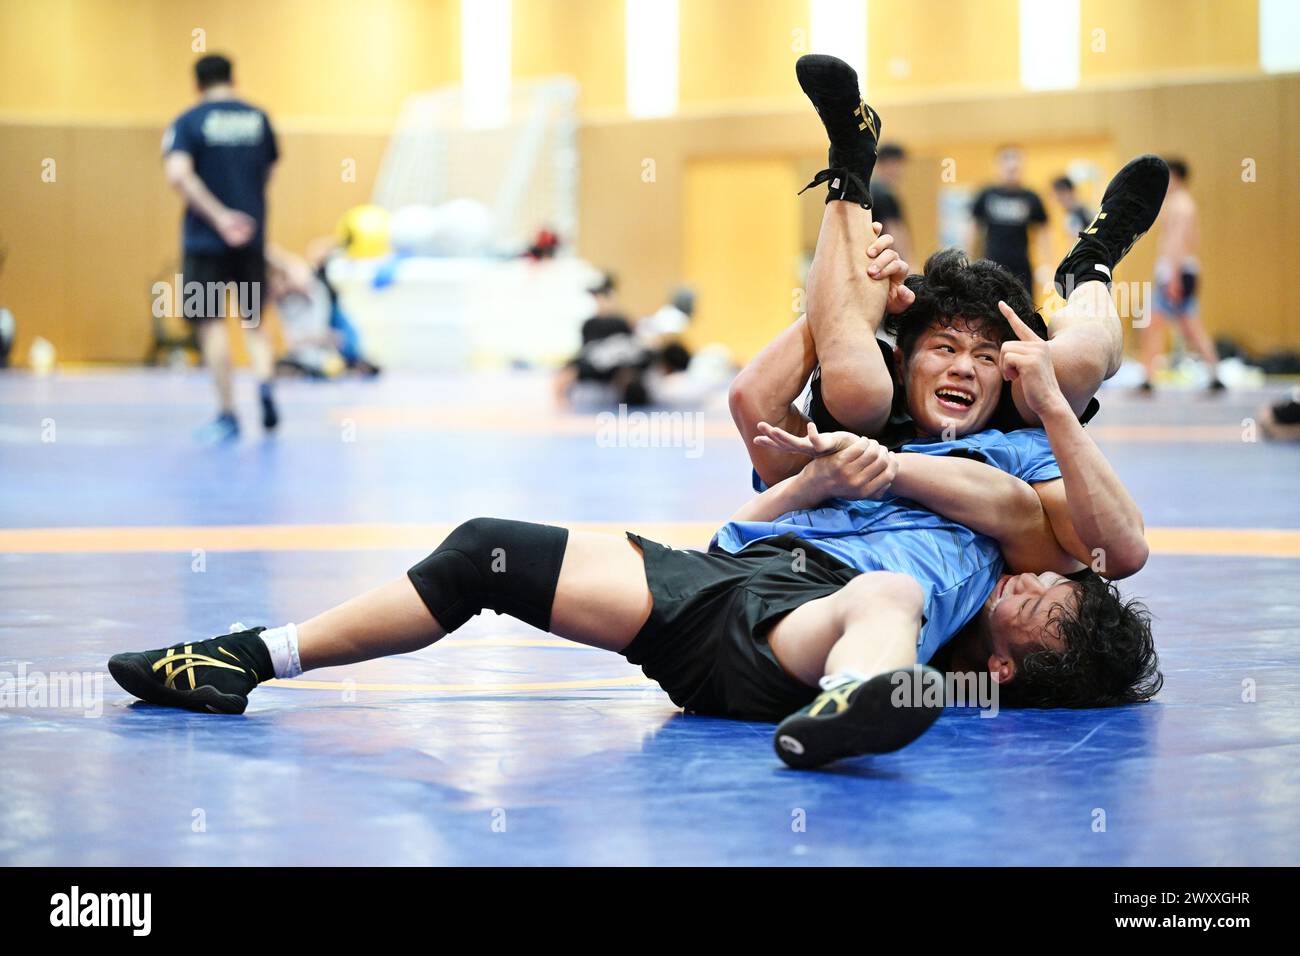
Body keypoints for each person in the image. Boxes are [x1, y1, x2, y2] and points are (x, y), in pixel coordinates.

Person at [106, 342, 1160, 769]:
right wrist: (817, 482)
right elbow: (741, 527)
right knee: (484, 552)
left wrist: (1051, 381)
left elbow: (1117, 535)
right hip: (721, 587)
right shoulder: (891, 441)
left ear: (1005, 664)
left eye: (1046, 603)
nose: (1038, 584)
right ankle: (251, 654)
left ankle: (855, 699)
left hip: (807, 636)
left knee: (883, 595)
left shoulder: (1019, 530)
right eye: (949, 349)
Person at [734, 55, 1165, 580]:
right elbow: (750, 400)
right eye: (945, 348)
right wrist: (855, 307)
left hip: (991, 426)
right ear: (901, 363)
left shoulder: (1015, 448)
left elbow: (1118, 554)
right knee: (857, 387)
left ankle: (1089, 265)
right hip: (857, 524)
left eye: (983, 357)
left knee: (1069, 366)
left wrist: (1053, 408)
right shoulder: (844, 442)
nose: (963, 367)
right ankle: (850, 164)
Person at [163, 53, 280, 441]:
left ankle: (228, 413)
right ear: (234, 79)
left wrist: (220, 217)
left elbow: (178, 174)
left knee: (211, 323)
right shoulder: (258, 119)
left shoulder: (189, 121)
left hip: (206, 241)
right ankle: (264, 384)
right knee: (254, 320)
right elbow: (267, 172)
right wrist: (244, 214)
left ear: (197, 85)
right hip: (251, 239)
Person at [1137, 159, 1224, 393]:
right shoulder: (1181, 204)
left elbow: (1177, 242)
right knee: (1187, 327)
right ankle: (1213, 374)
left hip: (1176, 272)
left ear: (1175, 177)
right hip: (1179, 270)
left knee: (1158, 325)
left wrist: (1173, 277)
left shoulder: (1181, 206)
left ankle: (1149, 377)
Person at [968, 145, 1052, 296]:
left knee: (1024, 305)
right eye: (1007, 160)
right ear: (998, 165)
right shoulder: (986, 195)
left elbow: (1043, 232)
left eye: (1016, 161)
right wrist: (967, 259)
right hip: (991, 265)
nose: (1012, 166)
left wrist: (1046, 264)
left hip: (1021, 267)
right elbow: (973, 229)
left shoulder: (1031, 197)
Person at [870, 143, 911, 263]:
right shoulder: (883, 193)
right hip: (884, 258)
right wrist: (907, 263)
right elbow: (893, 231)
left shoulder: (870, 190)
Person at [1052, 175, 1095, 251]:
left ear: (1070, 192)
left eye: (1061, 194)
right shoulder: (1081, 211)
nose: (1058, 200)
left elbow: (1075, 244)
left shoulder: (1077, 215)